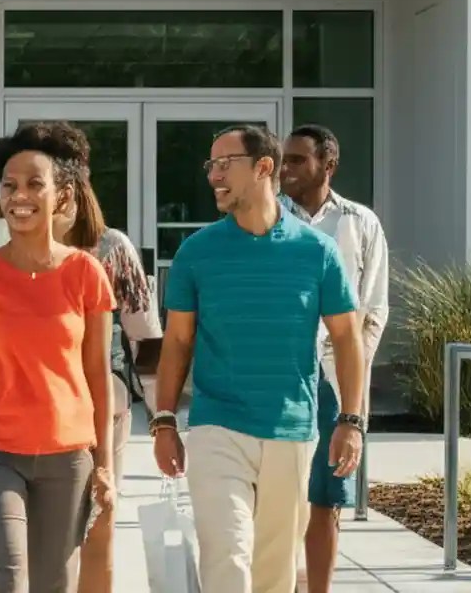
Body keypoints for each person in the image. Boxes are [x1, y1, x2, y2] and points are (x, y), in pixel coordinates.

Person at [151, 124, 367, 593]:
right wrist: (164, 420)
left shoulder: (318, 252)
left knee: (274, 569)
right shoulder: (196, 253)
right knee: (227, 556)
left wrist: (351, 419)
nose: (214, 176)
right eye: (211, 165)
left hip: (290, 428)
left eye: (225, 164)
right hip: (216, 425)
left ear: (264, 166)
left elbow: (348, 339)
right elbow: (177, 343)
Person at [0, 122, 115, 593]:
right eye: (9, 186)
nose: (19, 196)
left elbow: (98, 374)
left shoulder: (86, 273)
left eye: (35, 184)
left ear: (63, 194)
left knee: (54, 584)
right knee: (6, 580)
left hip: (67, 456)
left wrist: (105, 463)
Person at [280, 124, 390, 593]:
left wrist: (354, 389)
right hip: (280, 374)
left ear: (328, 165)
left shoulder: (359, 222)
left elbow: (372, 310)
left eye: (298, 160)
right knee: (279, 497)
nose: (286, 168)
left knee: (327, 498)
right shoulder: (267, 221)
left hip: (334, 375)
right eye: (283, 159)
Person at [53, 174, 162, 489]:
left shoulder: (110, 247)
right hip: (98, 396)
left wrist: (161, 416)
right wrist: (159, 414)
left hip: (92, 397)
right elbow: (145, 334)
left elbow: (146, 337)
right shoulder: (113, 247)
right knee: (98, 512)